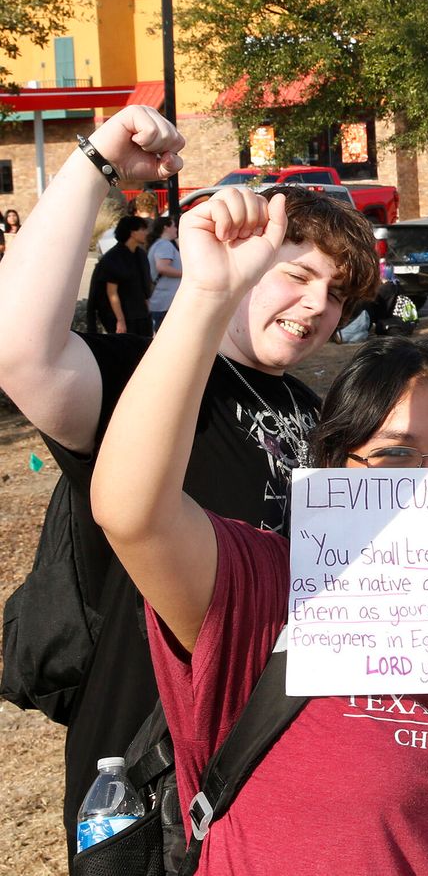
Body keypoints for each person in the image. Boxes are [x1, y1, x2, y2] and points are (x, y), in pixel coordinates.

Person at [89, 189, 428, 874]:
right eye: (393, 454)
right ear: (338, 468)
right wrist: (206, 297)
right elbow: (132, 511)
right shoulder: (272, 588)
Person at [0, 102, 379, 851]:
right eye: (298, 274)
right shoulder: (156, 374)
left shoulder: (315, 408)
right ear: (244, 259)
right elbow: (21, 351)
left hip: (281, 766)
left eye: (338, 295)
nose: (317, 306)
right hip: (154, 777)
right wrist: (101, 162)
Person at [91, 215, 153, 335]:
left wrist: (148, 311)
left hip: (142, 315)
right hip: (125, 316)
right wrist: (120, 320)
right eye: (142, 229)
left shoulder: (140, 254)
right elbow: (112, 292)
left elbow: (143, 285)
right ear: (132, 233)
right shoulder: (113, 258)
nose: (146, 233)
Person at [147, 215, 182, 331]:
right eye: (173, 226)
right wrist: (186, 274)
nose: (176, 229)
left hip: (162, 300)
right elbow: (162, 268)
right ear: (166, 227)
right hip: (165, 301)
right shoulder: (164, 245)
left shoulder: (160, 244)